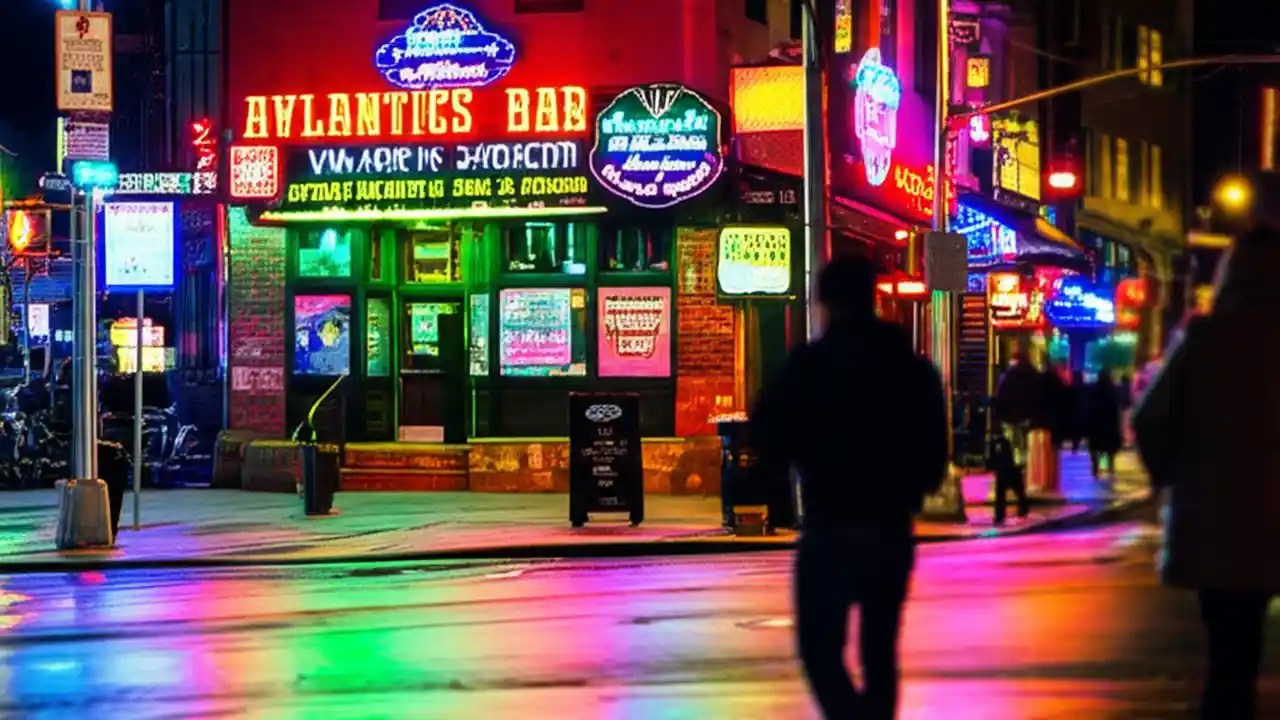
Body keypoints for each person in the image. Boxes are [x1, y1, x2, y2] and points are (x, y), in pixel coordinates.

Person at [749, 254, 948, 720]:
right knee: (880, 650)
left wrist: (805, 457)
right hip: (890, 527)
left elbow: (765, 432)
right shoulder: (911, 371)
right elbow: (934, 453)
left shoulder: (810, 367)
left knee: (820, 648)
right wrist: (909, 488)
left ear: (824, 303)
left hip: (829, 523)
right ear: (872, 297)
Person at [1134, 226, 1280, 720]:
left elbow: (1151, 420)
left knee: (1228, 659)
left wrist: (1172, 480)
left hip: (1214, 523)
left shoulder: (1205, 341)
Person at [1086, 370, 1123, 478]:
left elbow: (1090, 408)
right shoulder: (1112, 392)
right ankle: (1111, 469)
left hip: (1096, 425)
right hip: (1109, 426)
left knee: (1095, 448)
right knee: (1109, 449)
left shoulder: (1094, 391)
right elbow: (1116, 409)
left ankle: (1095, 469)